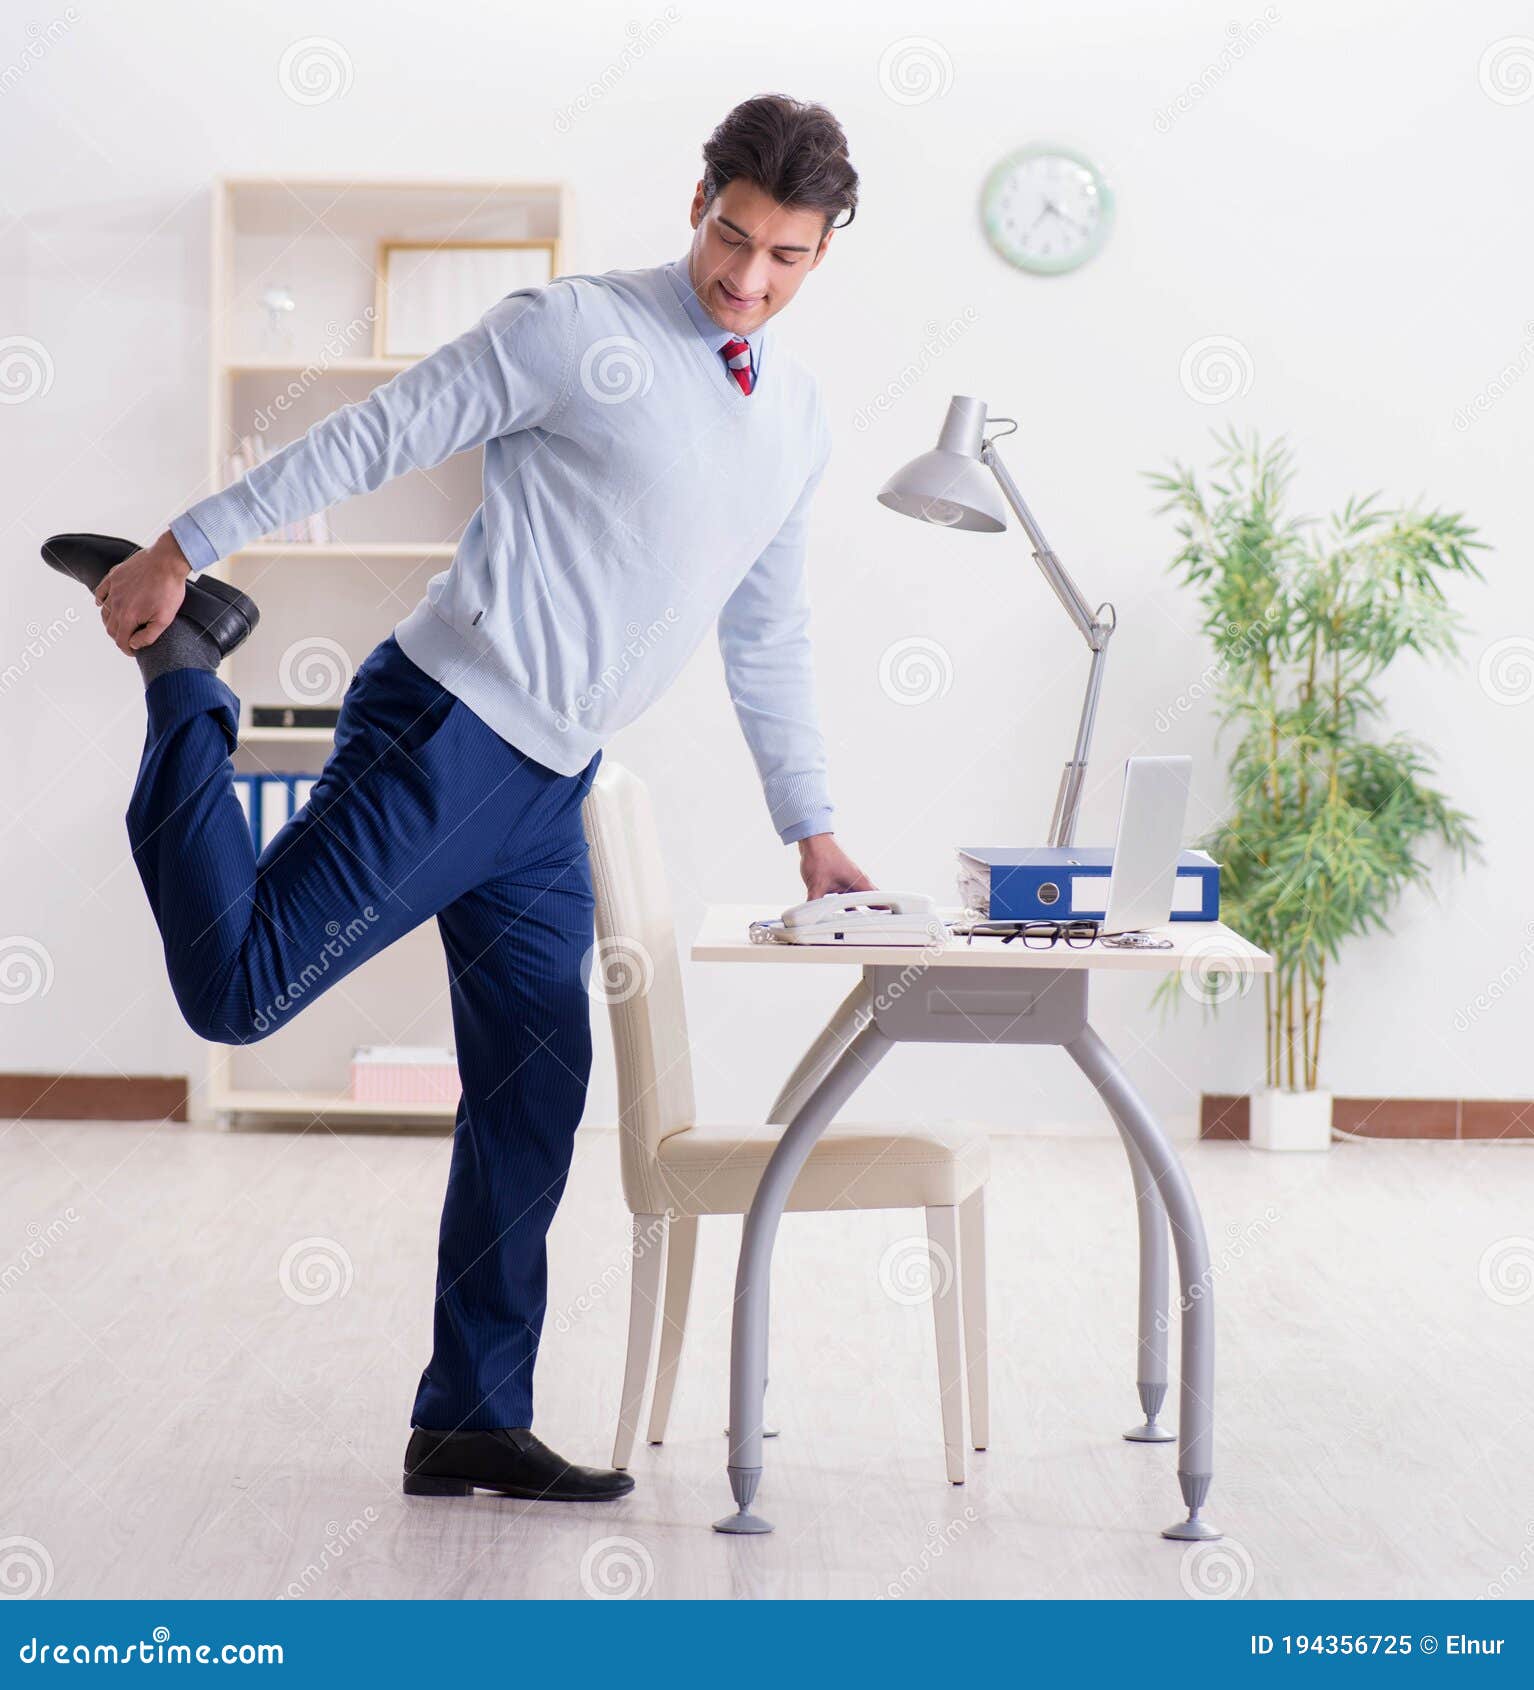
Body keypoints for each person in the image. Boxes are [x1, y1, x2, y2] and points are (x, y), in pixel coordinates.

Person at [41, 93, 872, 1503]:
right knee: (238, 994)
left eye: (784, 255)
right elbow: (385, 430)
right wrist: (186, 544)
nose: (747, 277)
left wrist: (813, 827)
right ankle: (189, 678)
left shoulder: (792, 419)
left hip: (552, 786)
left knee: (533, 1098)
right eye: (732, 237)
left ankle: (469, 1415)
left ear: (820, 253)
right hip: (450, 731)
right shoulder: (574, 331)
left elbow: (765, 631)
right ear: (696, 201)